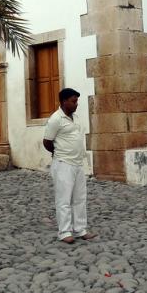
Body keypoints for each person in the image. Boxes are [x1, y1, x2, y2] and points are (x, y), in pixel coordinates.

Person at [43, 88, 97, 244]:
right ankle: (65, 232)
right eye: (73, 101)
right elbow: (47, 142)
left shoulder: (77, 118)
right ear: (64, 101)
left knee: (80, 198)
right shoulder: (55, 119)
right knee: (64, 199)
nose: (76, 104)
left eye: (77, 101)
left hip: (78, 163)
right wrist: (59, 152)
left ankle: (81, 229)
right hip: (63, 164)